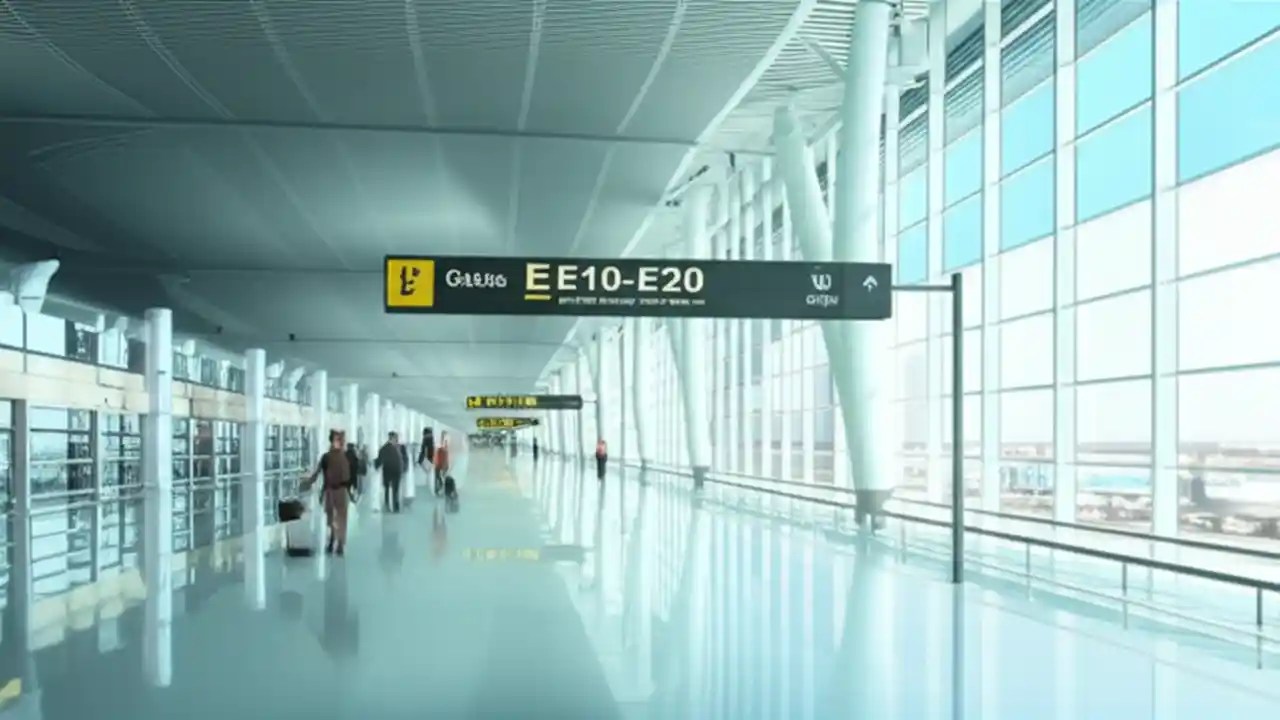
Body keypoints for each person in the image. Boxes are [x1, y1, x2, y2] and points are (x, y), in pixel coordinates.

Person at [306, 429, 352, 555]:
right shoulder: (327, 457)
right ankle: (333, 538)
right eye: (337, 440)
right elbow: (317, 473)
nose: (340, 443)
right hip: (330, 490)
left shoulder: (344, 456)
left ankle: (340, 543)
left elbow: (349, 476)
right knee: (331, 518)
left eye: (341, 440)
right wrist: (308, 483)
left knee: (341, 518)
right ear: (332, 441)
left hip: (341, 490)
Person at [375, 431, 405, 513]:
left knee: (395, 490)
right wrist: (376, 465)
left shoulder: (398, 447)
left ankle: (395, 507)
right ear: (391, 438)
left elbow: (402, 458)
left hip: (396, 471)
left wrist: (403, 468)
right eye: (396, 438)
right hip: (388, 471)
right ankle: (388, 505)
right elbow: (380, 459)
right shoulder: (384, 448)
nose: (397, 440)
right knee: (387, 489)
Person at [433, 431, 451, 497]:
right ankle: (438, 491)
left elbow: (446, 455)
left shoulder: (445, 445)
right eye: (443, 436)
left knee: (441, 478)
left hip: (443, 464)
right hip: (439, 464)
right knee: (439, 478)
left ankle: (441, 491)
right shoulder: (441, 445)